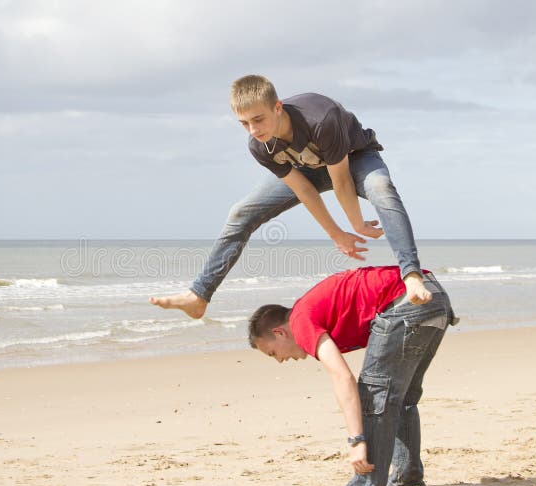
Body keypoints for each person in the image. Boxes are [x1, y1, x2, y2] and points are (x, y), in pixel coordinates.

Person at [150, 74, 431, 319]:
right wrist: (336, 235)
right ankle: (199, 296)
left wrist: (356, 225)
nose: (253, 130)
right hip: (308, 168)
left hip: (355, 159)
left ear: (278, 107)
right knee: (241, 212)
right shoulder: (259, 146)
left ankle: (412, 276)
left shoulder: (321, 119)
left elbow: (341, 180)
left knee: (382, 188)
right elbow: (304, 190)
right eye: (244, 123)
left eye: (258, 119)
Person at [247, 266, 457, 486]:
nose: (280, 360)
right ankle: (406, 478)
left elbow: (342, 378)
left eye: (273, 352)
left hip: (404, 300)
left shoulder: (299, 320)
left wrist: (356, 441)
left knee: (375, 395)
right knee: (403, 398)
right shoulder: (309, 311)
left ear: (279, 332)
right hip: (433, 296)